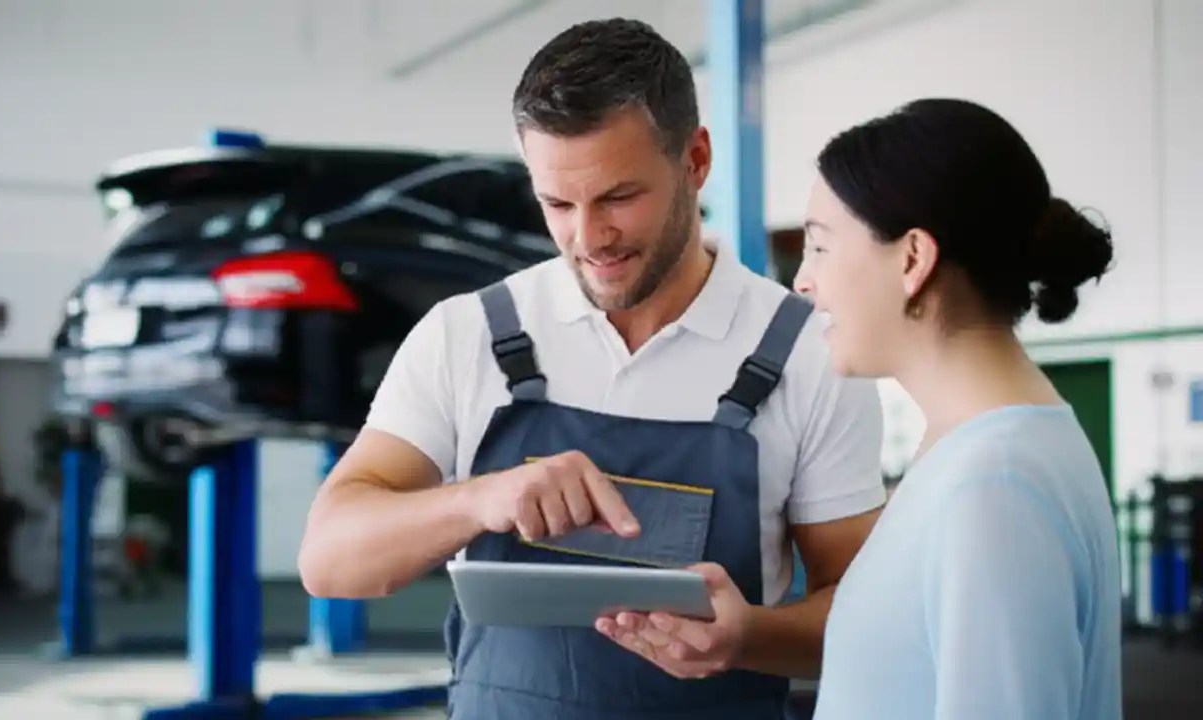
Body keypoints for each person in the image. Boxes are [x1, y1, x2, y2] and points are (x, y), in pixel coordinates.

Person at [299, 18, 887, 719]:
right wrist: (478, 500)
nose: (589, 237)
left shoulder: (808, 356)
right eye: (557, 204)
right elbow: (329, 561)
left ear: (695, 160)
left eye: (618, 197)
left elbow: (867, 621)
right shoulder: (467, 335)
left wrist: (749, 637)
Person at [790, 98, 1122, 720]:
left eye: (820, 247)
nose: (802, 281)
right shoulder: (984, 449)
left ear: (913, 259)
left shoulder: (994, 485)